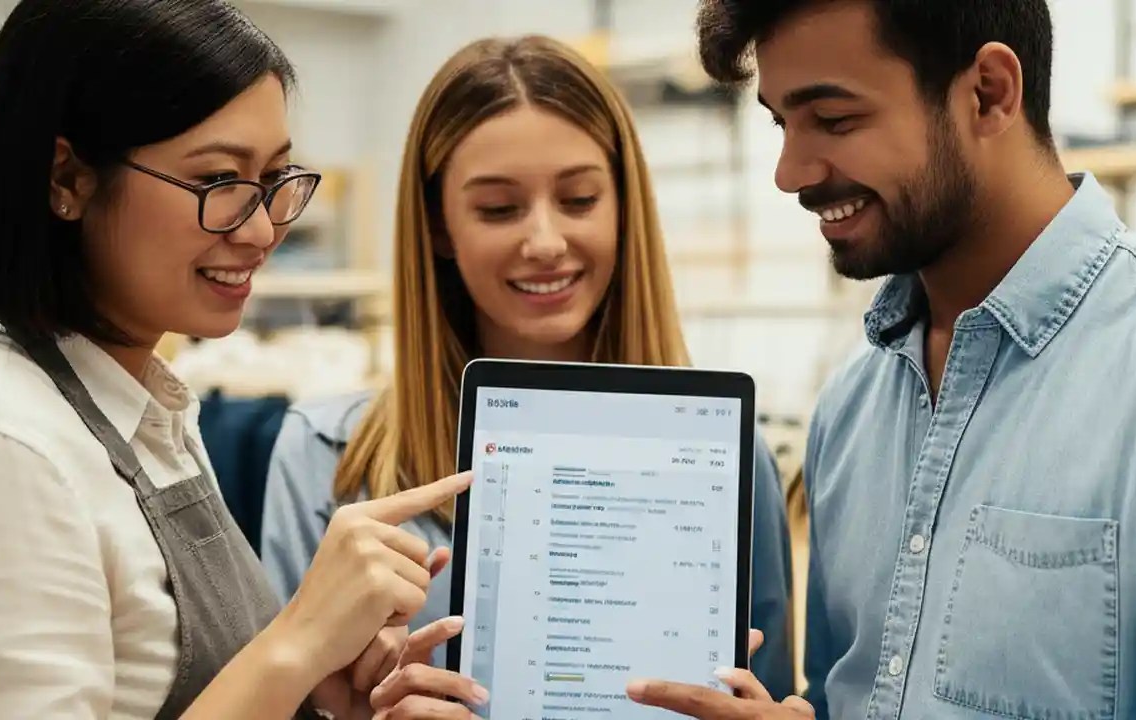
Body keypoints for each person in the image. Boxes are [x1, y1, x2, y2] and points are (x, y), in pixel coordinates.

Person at [680, 0, 1136, 718]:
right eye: (783, 124)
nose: (789, 173)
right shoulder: (850, 407)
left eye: (834, 120)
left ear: (989, 94)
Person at [0, 2, 470, 718]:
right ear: (67, 179)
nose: (260, 230)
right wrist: (297, 644)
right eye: (220, 181)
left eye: (274, 179)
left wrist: (318, 698)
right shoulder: (4, 445)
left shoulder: (150, 411)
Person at [258, 33, 798, 711]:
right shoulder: (324, 458)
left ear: (624, 207)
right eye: (498, 209)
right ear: (439, 225)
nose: (545, 242)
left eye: (579, 199)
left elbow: (766, 694)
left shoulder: (731, 456)